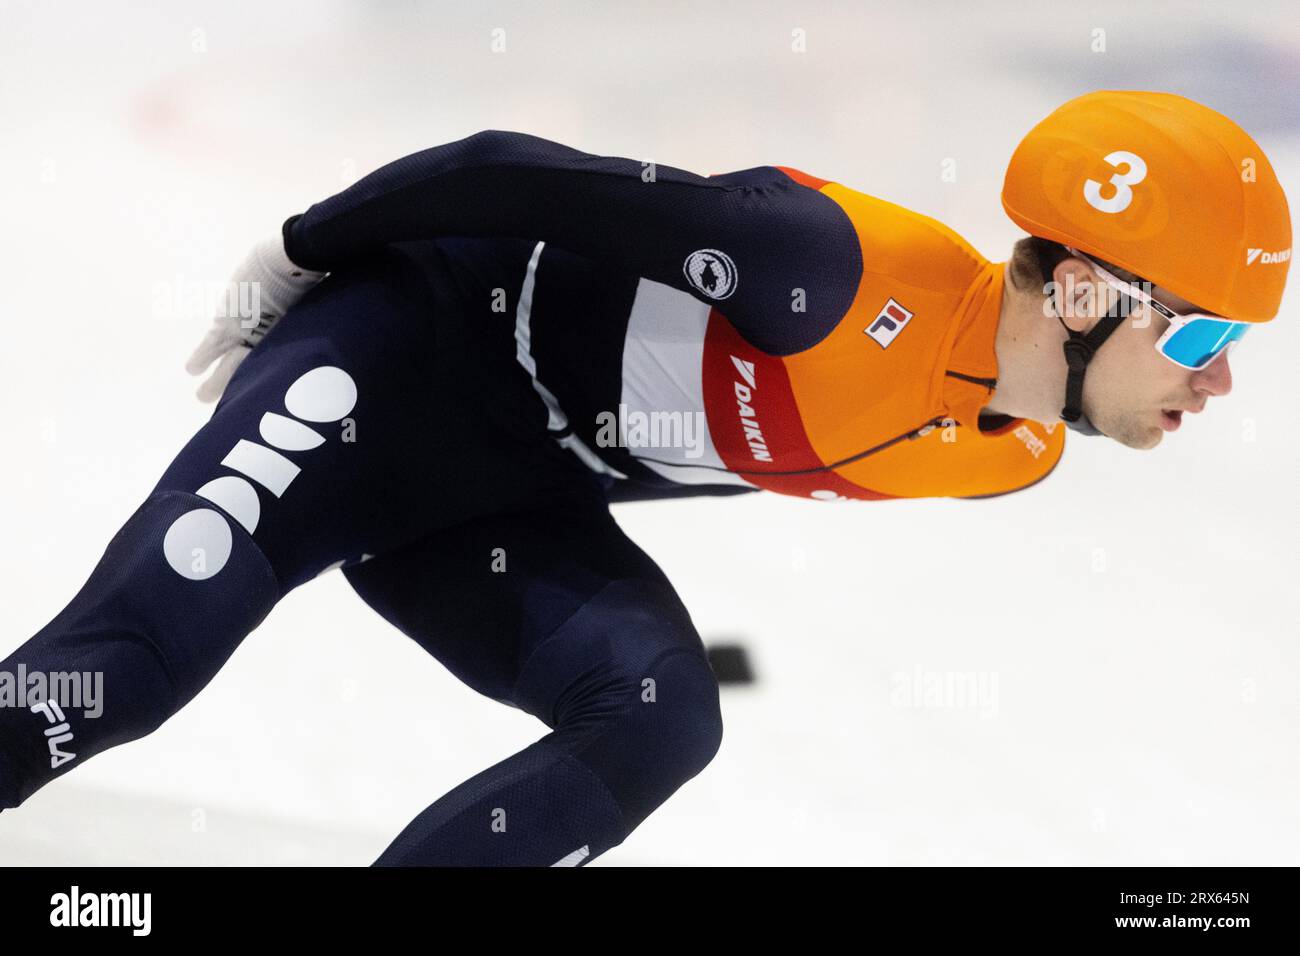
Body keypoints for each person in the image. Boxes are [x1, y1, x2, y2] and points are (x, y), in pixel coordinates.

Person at [0, 91, 1289, 865]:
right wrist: (296, 253)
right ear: (1075, 291)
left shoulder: (1016, 455)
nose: (1220, 381)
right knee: (116, 678)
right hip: (390, 362)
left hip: (503, 502)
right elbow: (504, 168)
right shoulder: (825, 270)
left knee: (665, 713)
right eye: (1203, 337)